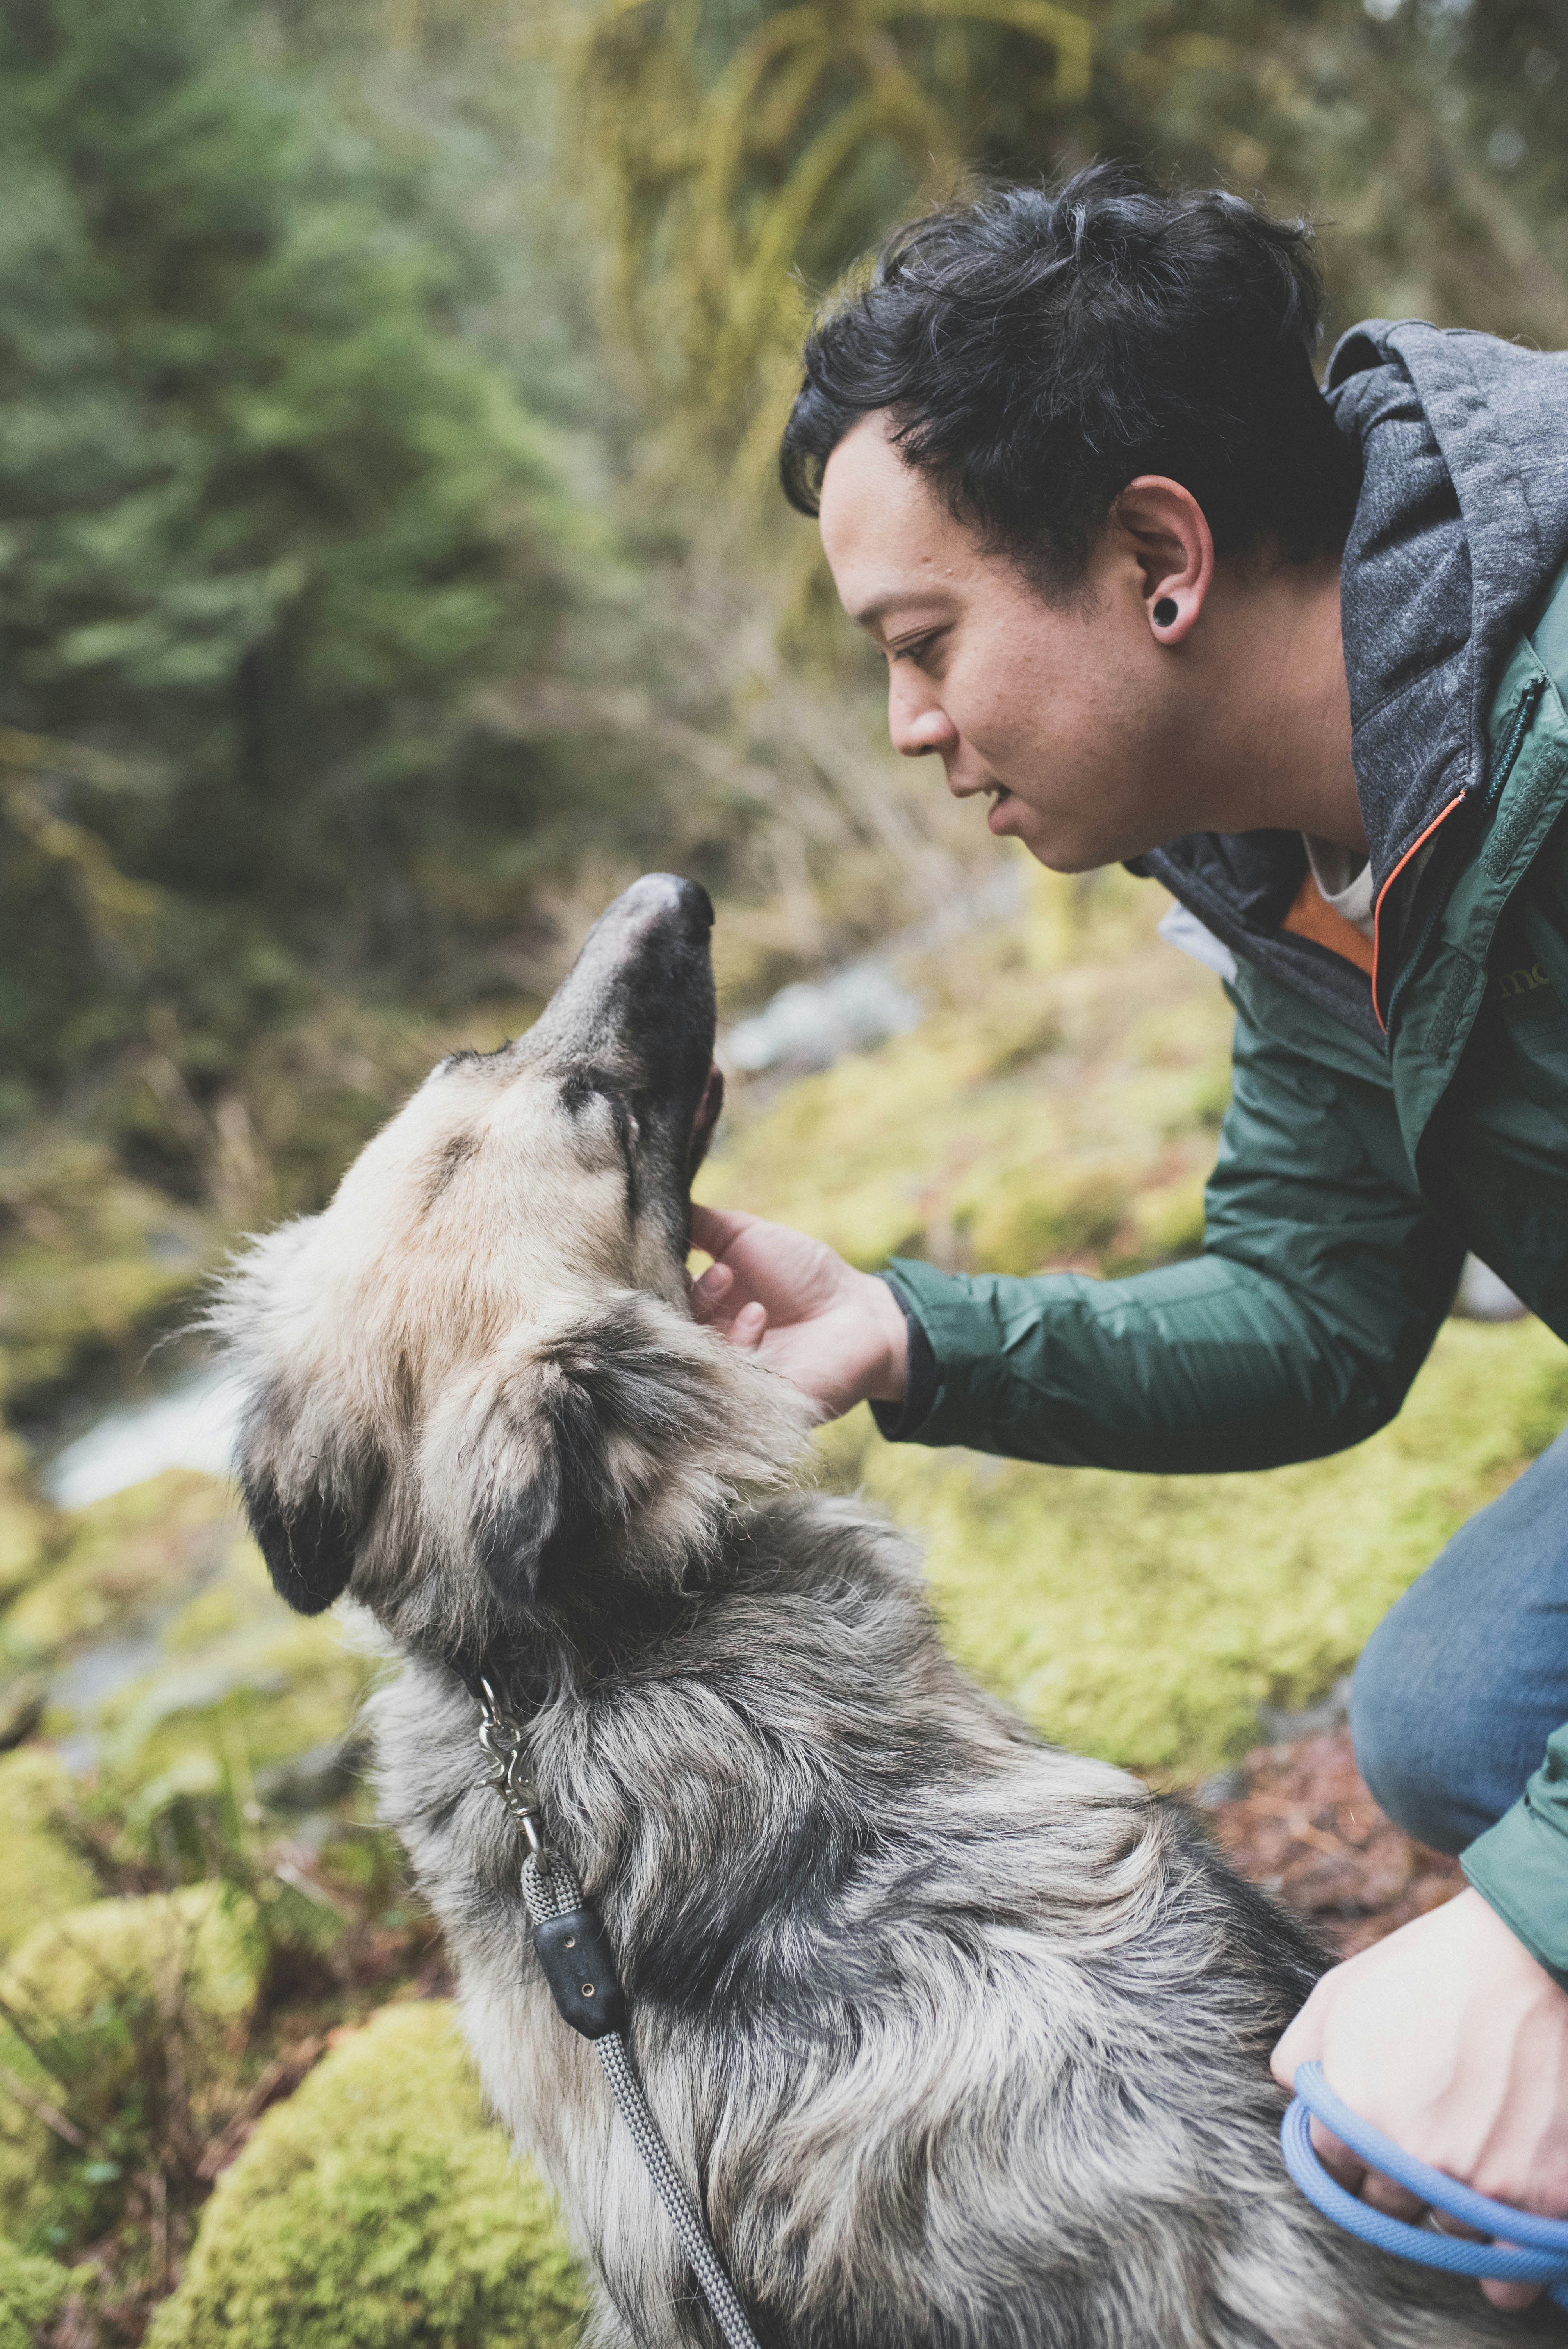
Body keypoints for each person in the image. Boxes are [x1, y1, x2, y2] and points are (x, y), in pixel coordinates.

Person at [687, 165, 1568, 2310]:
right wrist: (914, 1332)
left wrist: (1548, 1927)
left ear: (1156, 558)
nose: (912, 729)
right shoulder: (1297, 848)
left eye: (927, 645)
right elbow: (1311, 1309)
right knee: (1454, 1716)